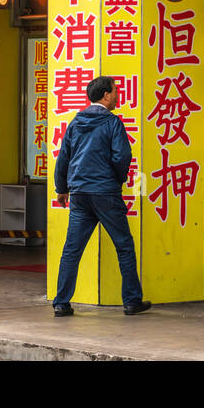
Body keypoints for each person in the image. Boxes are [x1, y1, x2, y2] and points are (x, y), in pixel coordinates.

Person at [52, 74, 150, 317]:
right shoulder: (112, 123)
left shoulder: (75, 123)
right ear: (106, 95)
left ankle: (61, 303)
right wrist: (116, 179)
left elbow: (63, 158)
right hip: (105, 193)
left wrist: (61, 189)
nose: (117, 95)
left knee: (72, 250)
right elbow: (122, 157)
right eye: (115, 91)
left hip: (80, 194)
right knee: (124, 246)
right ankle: (131, 301)